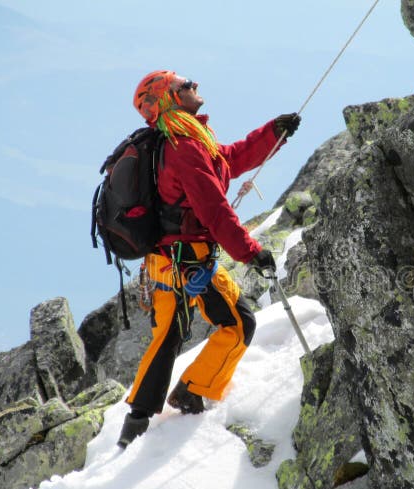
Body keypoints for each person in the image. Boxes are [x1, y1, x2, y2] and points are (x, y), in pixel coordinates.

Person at [118, 70, 301, 448]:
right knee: (235, 323)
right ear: (168, 97)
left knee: (170, 336)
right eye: (186, 85)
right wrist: (252, 253)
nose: (194, 86)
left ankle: (138, 427)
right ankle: (183, 399)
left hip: (169, 262)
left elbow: (225, 162)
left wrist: (272, 133)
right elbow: (215, 210)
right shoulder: (183, 147)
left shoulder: (184, 140)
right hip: (187, 261)